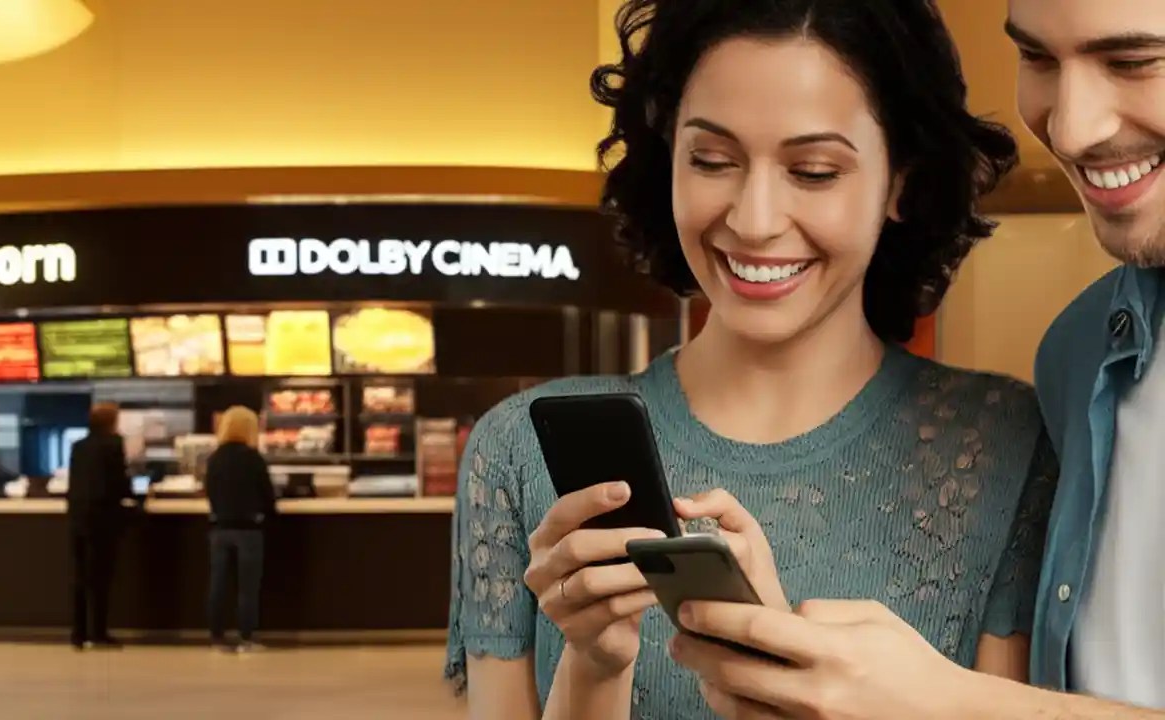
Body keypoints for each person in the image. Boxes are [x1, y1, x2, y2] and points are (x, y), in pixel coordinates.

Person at [443, 0, 1058, 717]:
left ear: (901, 182)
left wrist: (772, 678)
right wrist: (595, 665)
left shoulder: (1000, 442)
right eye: (711, 160)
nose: (754, 220)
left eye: (815, 170)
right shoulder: (517, 450)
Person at [671, 0, 1165, 717]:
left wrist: (949, 703)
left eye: (1133, 62)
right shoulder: (1080, 352)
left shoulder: (999, 428)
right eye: (1037, 59)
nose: (1071, 127)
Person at [204, 405, 276, 653]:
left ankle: (216, 638)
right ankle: (246, 638)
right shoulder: (252, 457)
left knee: (218, 584)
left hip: (219, 528)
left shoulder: (214, 458)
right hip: (248, 529)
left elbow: (209, 492)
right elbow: (267, 495)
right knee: (247, 587)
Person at [66, 402, 131, 650]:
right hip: (103, 519)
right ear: (112, 422)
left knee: (80, 577)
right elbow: (119, 481)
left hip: (78, 519)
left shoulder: (78, 446)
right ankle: (99, 632)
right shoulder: (113, 445)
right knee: (101, 578)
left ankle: (78, 633)